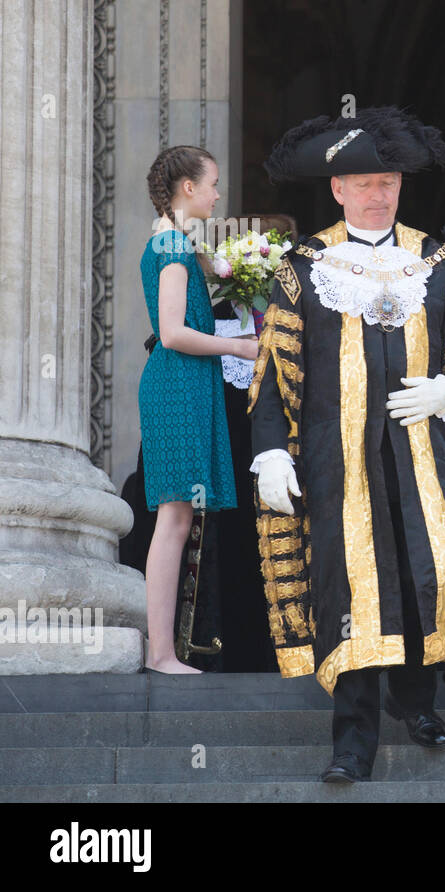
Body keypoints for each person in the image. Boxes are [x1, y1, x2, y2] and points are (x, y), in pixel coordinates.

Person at [252, 107, 445, 783]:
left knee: (421, 576)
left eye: (390, 181)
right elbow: (274, 371)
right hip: (337, 463)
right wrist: (271, 451)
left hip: (425, 459)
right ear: (338, 189)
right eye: (365, 183)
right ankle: (352, 742)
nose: (380, 193)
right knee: (352, 593)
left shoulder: (435, 261)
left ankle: (418, 702)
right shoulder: (302, 267)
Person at [139, 145, 256, 674]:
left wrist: (225, 265)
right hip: (178, 384)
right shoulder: (169, 243)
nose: (217, 194)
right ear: (188, 187)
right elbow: (171, 332)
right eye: (211, 184)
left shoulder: (175, 238)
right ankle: (161, 654)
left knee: (180, 517)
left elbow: (207, 272)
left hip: (189, 383)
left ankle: (164, 650)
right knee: (174, 519)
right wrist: (237, 347)